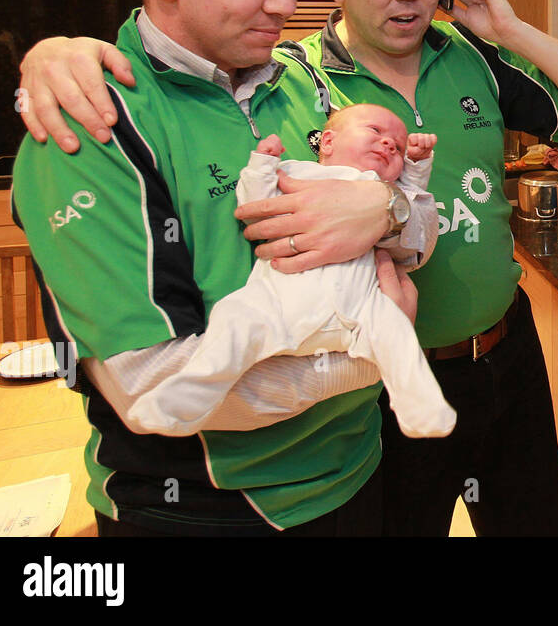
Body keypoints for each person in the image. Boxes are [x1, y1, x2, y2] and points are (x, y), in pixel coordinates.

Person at [18, 0, 558, 536]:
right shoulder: (300, 73)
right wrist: (56, 53)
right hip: (330, 427)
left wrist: (388, 207)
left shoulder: (457, 58)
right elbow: (149, 382)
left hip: (491, 358)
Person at [11, 0, 418, 536]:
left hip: (358, 471)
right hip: (207, 512)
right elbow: (157, 388)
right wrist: (372, 353)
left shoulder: (298, 80)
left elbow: (401, 220)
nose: (285, 4)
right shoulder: (88, 124)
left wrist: (389, 209)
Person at [126, 105, 455, 441]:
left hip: (359, 309)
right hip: (281, 306)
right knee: (234, 318)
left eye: (397, 147)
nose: (388, 145)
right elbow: (257, 209)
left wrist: (417, 161)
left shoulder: (381, 185)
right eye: (376, 132)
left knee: (395, 332)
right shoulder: (297, 172)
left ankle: (418, 404)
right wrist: (262, 166)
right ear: (327, 142)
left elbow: (414, 199)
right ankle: (192, 393)